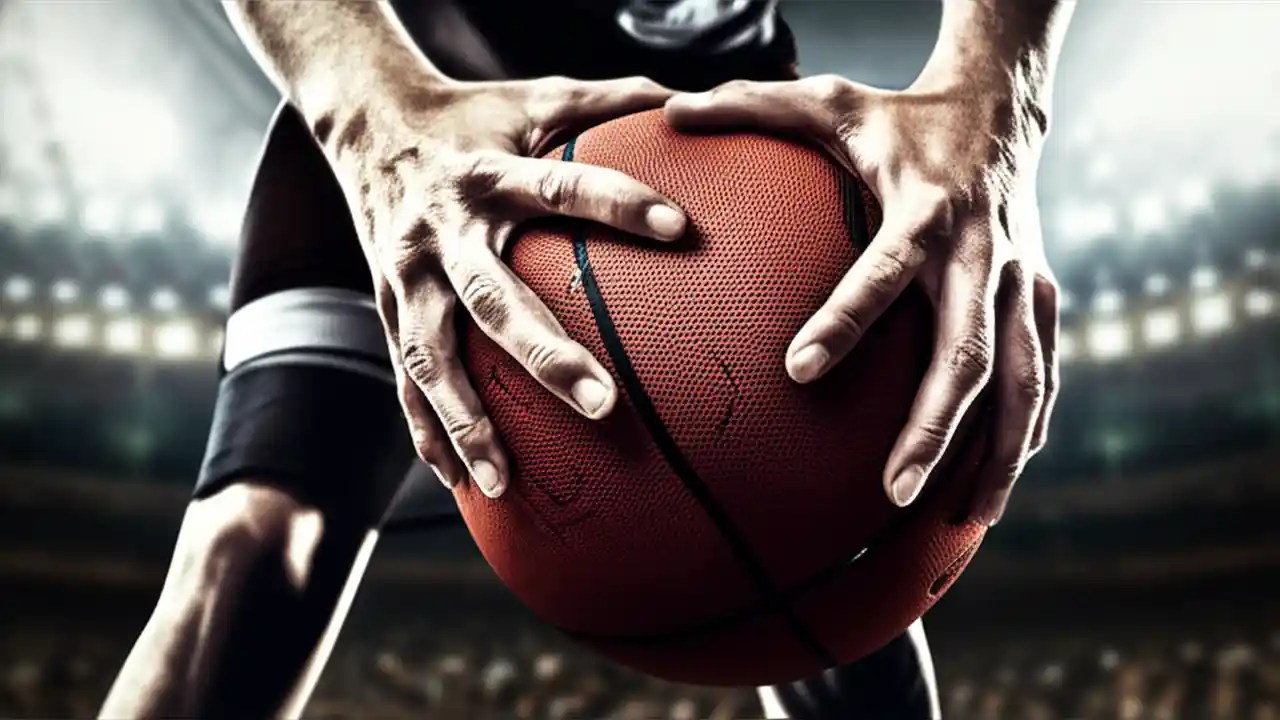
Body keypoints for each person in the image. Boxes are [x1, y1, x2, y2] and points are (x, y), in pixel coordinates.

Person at [100, 0, 1073, 717]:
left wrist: (993, 93)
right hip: (432, 100)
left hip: (707, 116)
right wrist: (368, 119)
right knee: (254, 544)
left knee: (834, 589)